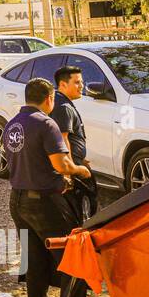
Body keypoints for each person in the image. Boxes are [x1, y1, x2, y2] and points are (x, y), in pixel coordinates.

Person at [4, 77, 100, 297]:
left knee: (34, 262)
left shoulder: (13, 124)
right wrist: (81, 170)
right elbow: (60, 164)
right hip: (44, 202)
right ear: (49, 98)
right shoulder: (46, 123)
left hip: (18, 201)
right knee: (77, 253)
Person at [52, 64, 97, 222]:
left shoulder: (61, 101)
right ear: (63, 84)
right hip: (70, 167)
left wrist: (81, 158)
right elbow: (63, 139)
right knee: (81, 208)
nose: (82, 86)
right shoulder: (63, 107)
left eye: (82, 82)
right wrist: (69, 172)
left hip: (74, 162)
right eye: (77, 82)